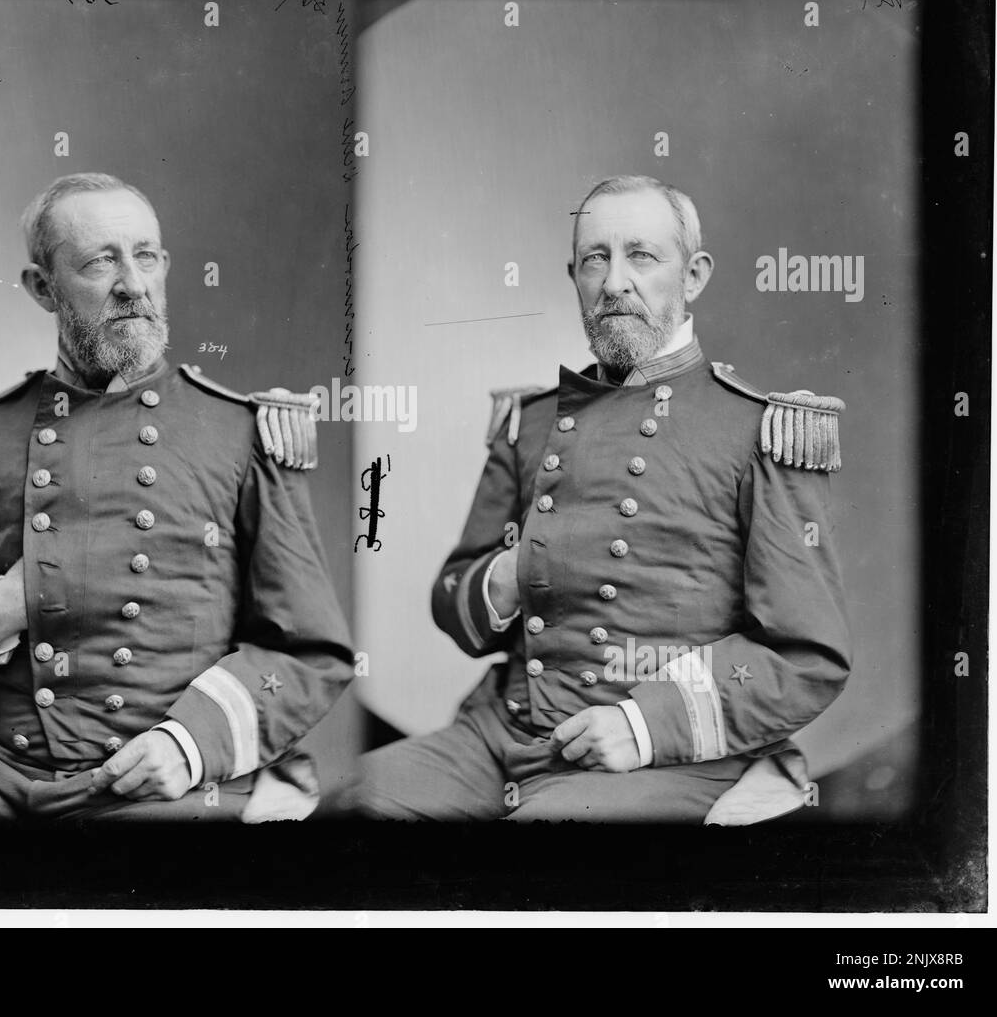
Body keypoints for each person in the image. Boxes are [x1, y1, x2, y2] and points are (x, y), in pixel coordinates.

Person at [0, 172, 352, 822]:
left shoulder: (241, 433)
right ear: (43, 287)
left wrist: (189, 743)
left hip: (153, 775)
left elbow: (311, 651)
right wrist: (1, 604)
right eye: (99, 261)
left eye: (145, 255)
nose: (133, 284)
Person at [357, 174, 853, 822]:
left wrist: (643, 724)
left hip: (657, 754)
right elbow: (452, 601)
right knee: (354, 803)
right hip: (500, 735)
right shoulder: (530, 422)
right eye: (596, 258)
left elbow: (808, 654)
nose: (615, 280)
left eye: (642, 255)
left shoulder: (758, 431)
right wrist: (507, 576)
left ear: (695, 275)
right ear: (575, 276)